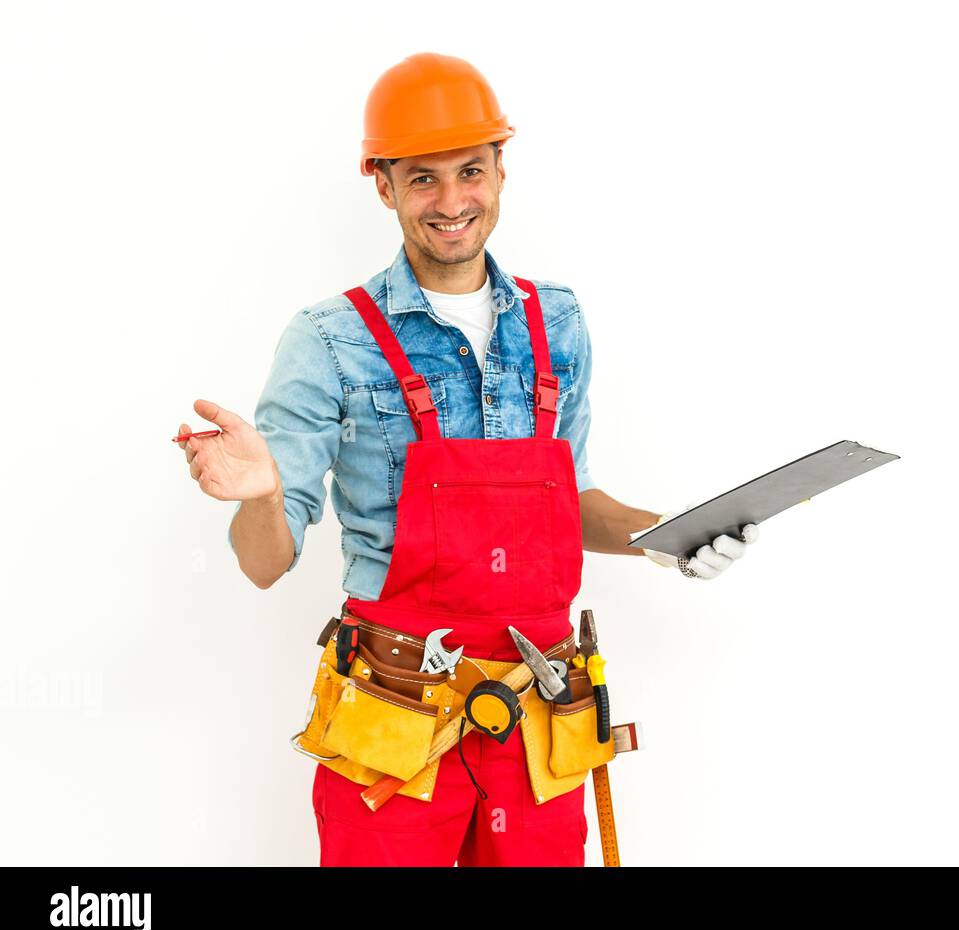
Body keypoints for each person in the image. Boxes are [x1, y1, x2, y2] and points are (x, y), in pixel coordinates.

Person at [175, 52, 758, 866]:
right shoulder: (328, 341)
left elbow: (570, 500)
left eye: (470, 171)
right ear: (383, 184)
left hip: (538, 722)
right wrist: (265, 494)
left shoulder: (557, 322)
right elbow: (264, 564)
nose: (452, 202)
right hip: (394, 722)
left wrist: (675, 535)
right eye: (422, 178)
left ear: (500, 171)